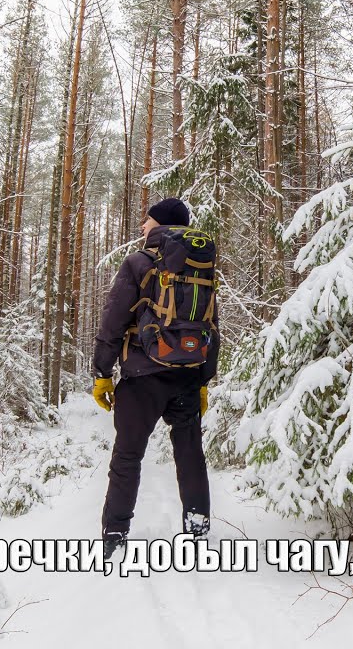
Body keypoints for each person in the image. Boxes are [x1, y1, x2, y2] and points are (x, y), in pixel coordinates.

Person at [92, 198, 219, 555]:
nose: (142, 227)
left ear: (160, 223)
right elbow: (212, 326)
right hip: (188, 377)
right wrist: (205, 379)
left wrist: (102, 372)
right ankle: (197, 529)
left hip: (142, 376)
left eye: (146, 221)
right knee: (190, 453)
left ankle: (114, 535)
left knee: (128, 456)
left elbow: (113, 321)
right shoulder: (201, 268)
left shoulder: (139, 263)